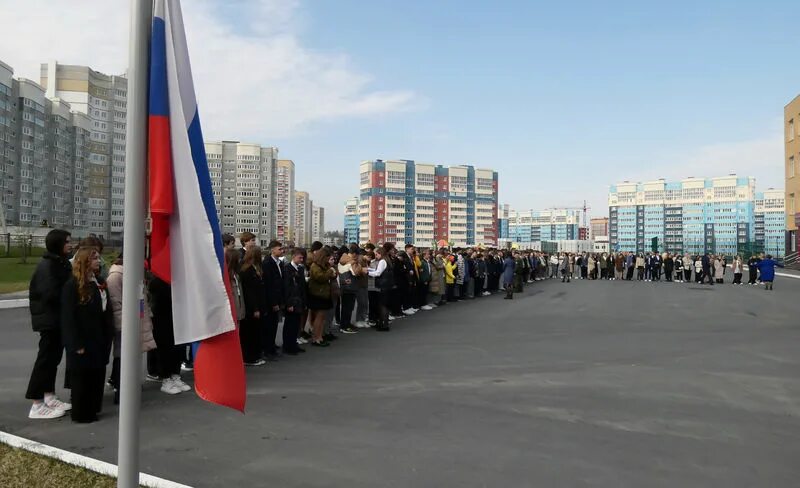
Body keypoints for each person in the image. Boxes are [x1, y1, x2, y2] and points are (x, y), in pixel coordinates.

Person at [60, 248, 114, 423]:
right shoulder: (73, 285)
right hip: (83, 338)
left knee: (97, 374)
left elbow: (106, 310)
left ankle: (93, 408)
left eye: (98, 258)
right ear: (84, 262)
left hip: (99, 337)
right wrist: (75, 343)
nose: (99, 261)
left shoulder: (99, 281)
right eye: (95, 258)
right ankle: (82, 413)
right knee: (82, 378)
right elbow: (68, 318)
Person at [26, 229, 74, 419]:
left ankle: (49, 396)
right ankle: (36, 404)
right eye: (67, 242)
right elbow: (50, 294)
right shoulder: (49, 266)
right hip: (49, 320)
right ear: (58, 244)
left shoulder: (59, 263)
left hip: (56, 320)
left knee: (52, 360)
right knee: (45, 361)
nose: (70, 244)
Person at [106, 252, 156, 405]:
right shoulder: (116, 276)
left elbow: (141, 298)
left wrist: (143, 317)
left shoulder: (134, 273)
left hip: (135, 321)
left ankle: (129, 383)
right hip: (125, 325)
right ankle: (120, 388)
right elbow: (116, 305)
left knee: (133, 355)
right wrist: (125, 324)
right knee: (122, 355)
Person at [147, 272, 191, 394]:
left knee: (177, 347)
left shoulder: (178, 279)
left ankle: (175, 375)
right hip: (162, 318)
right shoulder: (157, 282)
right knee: (164, 348)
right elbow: (156, 301)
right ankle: (166, 378)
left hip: (176, 317)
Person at [239, 246, 267, 366]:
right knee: (249, 333)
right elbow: (250, 292)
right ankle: (249, 357)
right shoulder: (247, 270)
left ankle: (255, 354)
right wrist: (255, 308)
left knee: (256, 331)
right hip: (251, 307)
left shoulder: (255, 268)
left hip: (258, 304)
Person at [308, 248, 336, 346]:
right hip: (317, 294)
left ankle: (319, 336)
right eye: (327, 257)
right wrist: (330, 272)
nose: (328, 259)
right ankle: (316, 338)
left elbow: (329, 276)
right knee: (319, 317)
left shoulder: (323, 266)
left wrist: (332, 272)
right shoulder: (315, 266)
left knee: (322, 317)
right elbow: (320, 277)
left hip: (324, 294)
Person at [262, 240, 285, 361]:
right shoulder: (267, 263)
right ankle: (267, 349)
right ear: (272, 250)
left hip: (278, 298)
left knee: (275, 324)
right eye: (279, 249)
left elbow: (280, 282)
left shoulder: (279, 263)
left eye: (282, 249)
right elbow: (269, 285)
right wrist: (274, 303)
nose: (282, 251)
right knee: (269, 325)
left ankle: (272, 345)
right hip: (271, 301)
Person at [282, 248, 308, 354]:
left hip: (299, 300)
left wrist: (304, 301)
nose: (301, 260)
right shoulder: (287, 269)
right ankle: (287, 346)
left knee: (296, 324)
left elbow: (302, 287)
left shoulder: (300, 269)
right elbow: (287, 288)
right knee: (289, 325)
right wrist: (289, 303)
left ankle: (293, 344)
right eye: (299, 257)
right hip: (292, 301)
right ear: (293, 257)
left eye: (302, 258)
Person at [368, 247, 393, 331]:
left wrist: (367, 272)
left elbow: (378, 273)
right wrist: (370, 269)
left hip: (382, 286)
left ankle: (383, 324)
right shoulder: (387, 260)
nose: (375, 256)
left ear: (380, 254)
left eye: (376, 254)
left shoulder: (382, 261)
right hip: (387, 286)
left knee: (382, 306)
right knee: (385, 305)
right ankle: (384, 323)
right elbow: (378, 270)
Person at [337, 252, 360, 334]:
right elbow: (356, 272)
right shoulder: (351, 263)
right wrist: (358, 264)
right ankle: (345, 326)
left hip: (345, 288)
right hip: (350, 288)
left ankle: (346, 324)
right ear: (354, 254)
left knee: (346, 308)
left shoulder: (341, 262)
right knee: (348, 308)